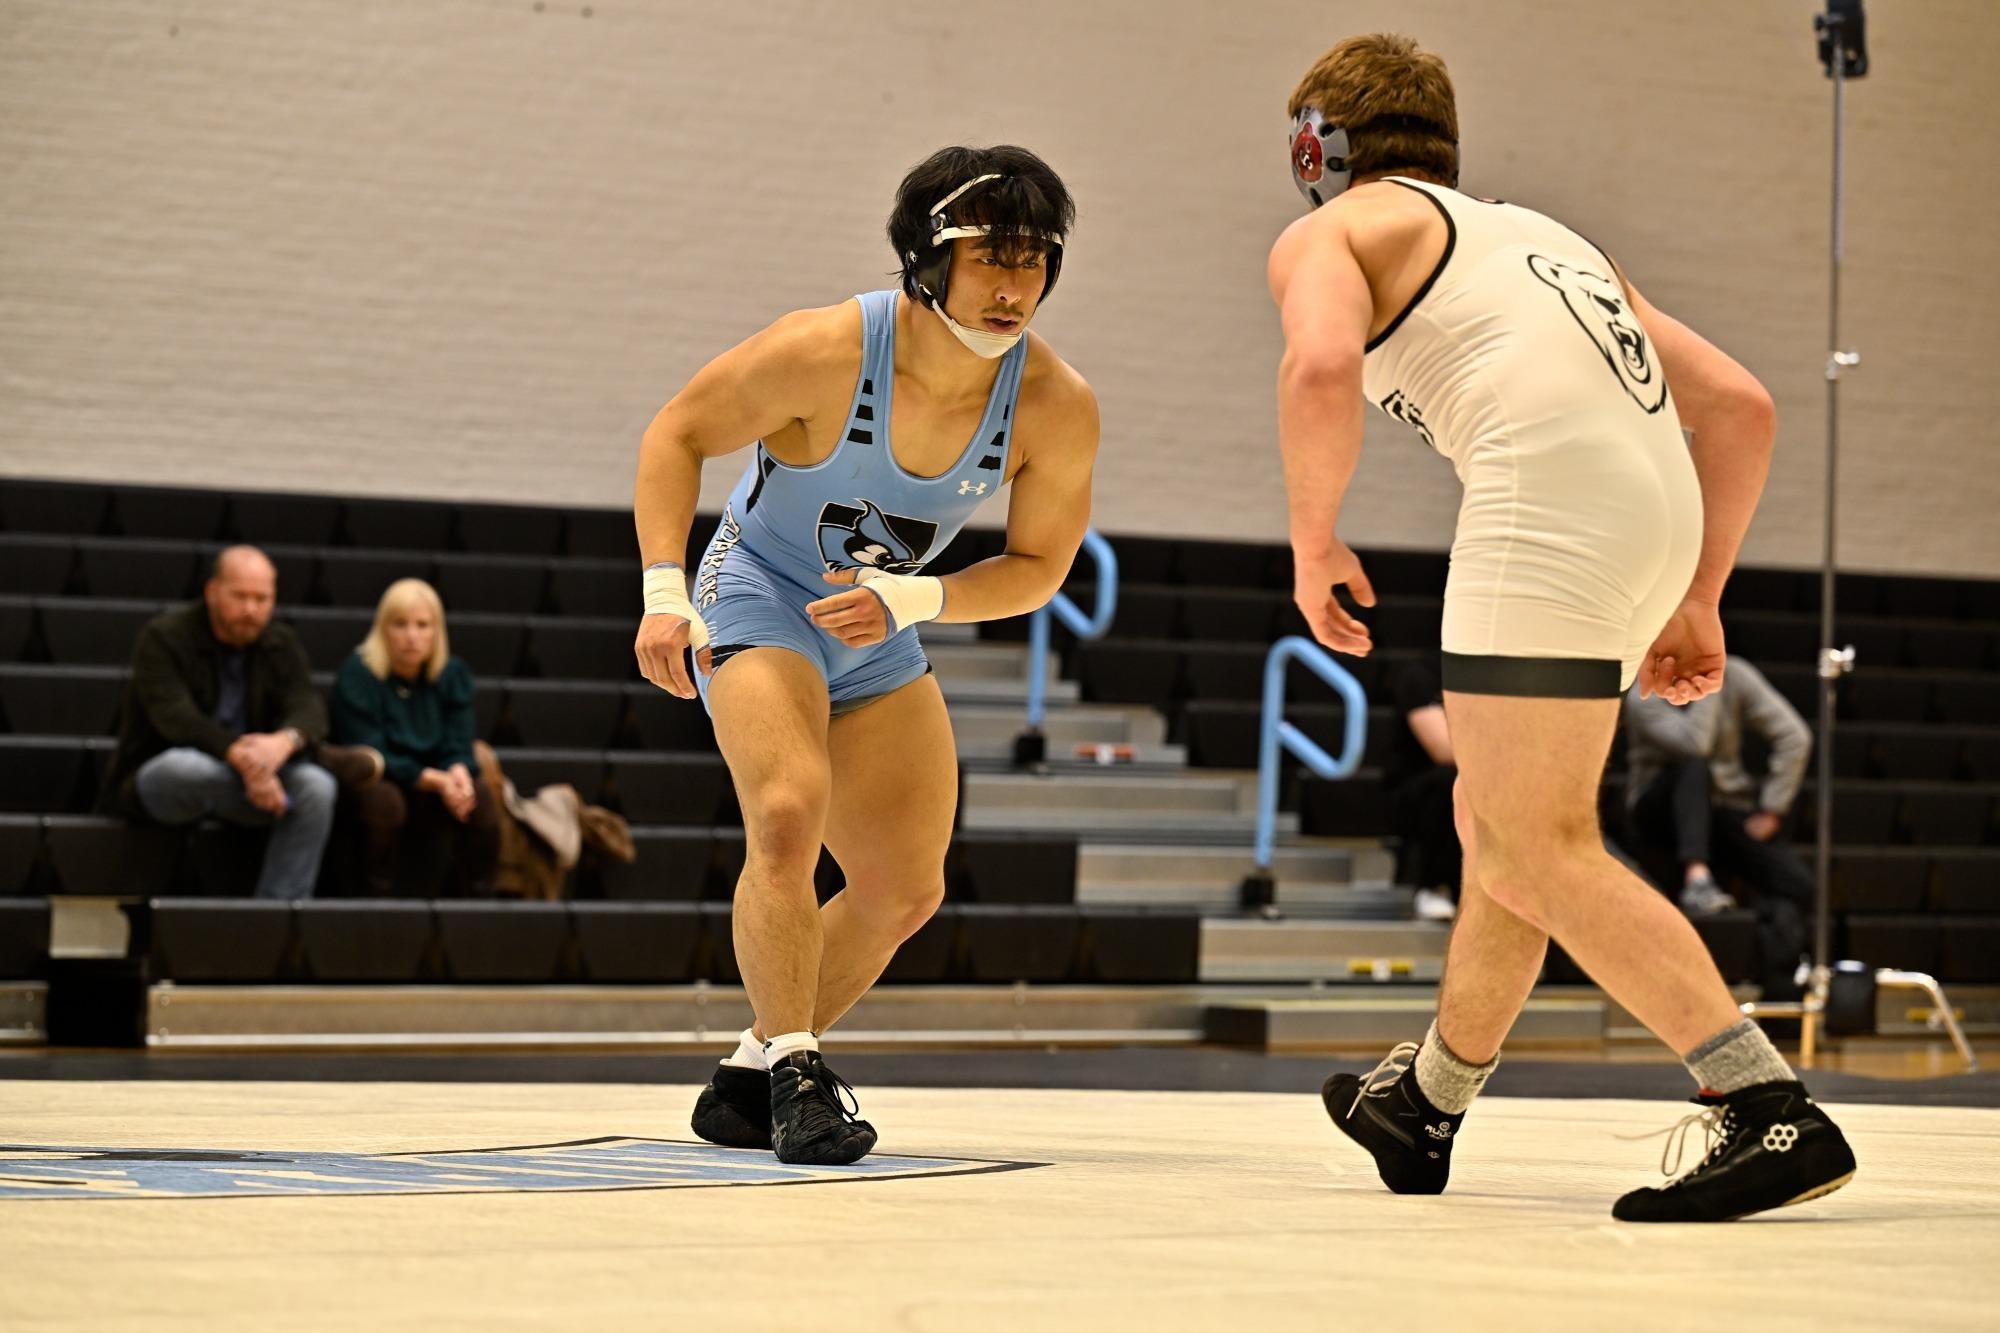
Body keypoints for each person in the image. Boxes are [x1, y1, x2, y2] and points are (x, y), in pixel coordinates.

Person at [1268, 34, 1854, 1221]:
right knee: (1490, 815)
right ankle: (1423, 1102)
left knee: (1538, 843)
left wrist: (1312, 540)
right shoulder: (1548, 239)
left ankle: (1764, 1104)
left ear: (1313, 148)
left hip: (1545, 516)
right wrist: (1695, 594)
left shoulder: (1329, 232)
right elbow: (1738, 405)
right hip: (1649, 523)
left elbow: (1319, 367)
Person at [633, 145, 1097, 1165]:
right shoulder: (826, 351)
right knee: (789, 806)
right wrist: (663, 590)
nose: (1014, 287)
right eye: (990, 260)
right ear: (926, 261)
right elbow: (676, 433)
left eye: (1034, 262)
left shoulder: (1054, 403)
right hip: (758, 590)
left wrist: (917, 595)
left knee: (904, 885)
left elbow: (1037, 564)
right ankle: (801, 1073)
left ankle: (749, 1074)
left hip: (875, 622)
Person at [100, 546, 380, 900]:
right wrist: (248, 763)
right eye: (241, 597)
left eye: (262, 599)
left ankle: (276, 919)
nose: (252, 609)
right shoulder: (164, 637)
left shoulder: (281, 641)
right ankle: (323, 757)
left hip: (259, 774)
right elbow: (177, 719)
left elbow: (307, 706)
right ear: (212, 591)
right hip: (166, 775)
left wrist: (283, 743)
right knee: (189, 769)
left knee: (317, 788)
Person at [1626, 654, 1815, 998]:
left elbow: (1795, 737)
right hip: (1658, 810)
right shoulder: (1643, 685)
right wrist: (1706, 682)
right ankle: (1696, 877)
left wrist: (1773, 809)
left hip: (1722, 808)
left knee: (1797, 884)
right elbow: (1695, 744)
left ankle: (1780, 1001)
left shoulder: (1738, 674)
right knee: (1694, 767)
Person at [330, 578, 499, 897]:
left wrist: (459, 773)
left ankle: (480, 901)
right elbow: (370, 752)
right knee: (384, 800)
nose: (412, 636)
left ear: (437, 631)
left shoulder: (452, 673)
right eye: (400, 625)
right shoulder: (358, 674)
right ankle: (375, 902)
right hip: (379, 779)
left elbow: (459, 742)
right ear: (383, 628)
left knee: (480, 795)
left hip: (435, 784)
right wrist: (436, 780)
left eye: (423, 625)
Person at [1385, 654, 1460, 921]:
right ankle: (1434, 887)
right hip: (1418, 789)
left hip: (1487, 777)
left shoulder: (1502, 677)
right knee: (1453, 781)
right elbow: (1444, 750)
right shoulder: (1422, 674)